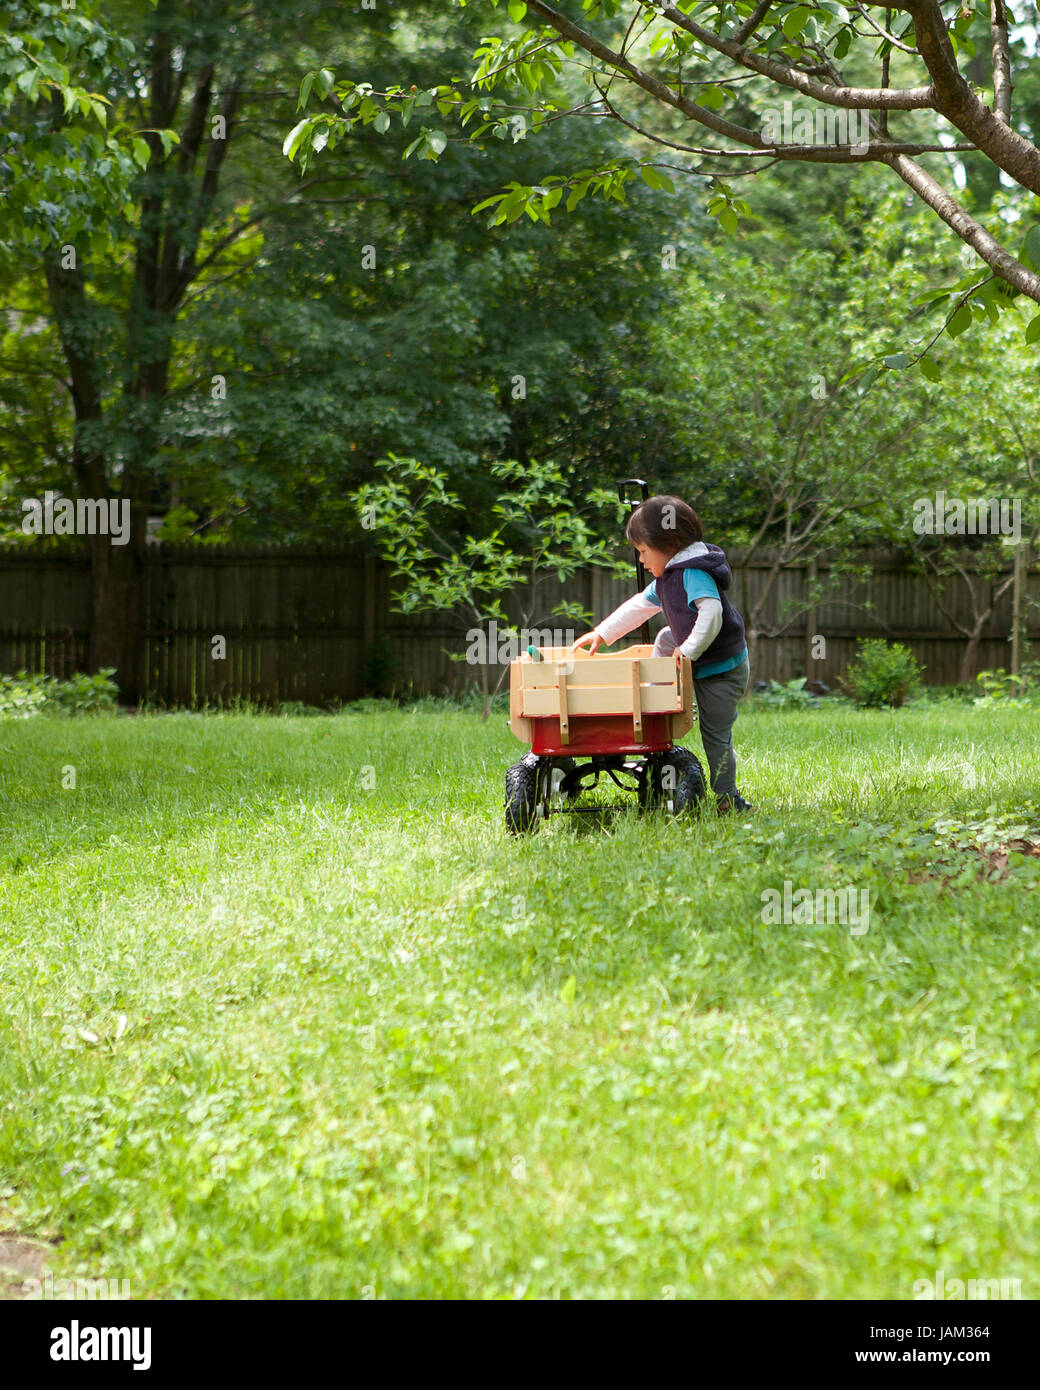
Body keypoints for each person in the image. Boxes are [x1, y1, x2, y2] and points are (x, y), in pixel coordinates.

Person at [571, 494, 752, 813]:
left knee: (715, 734)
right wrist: (603, 632)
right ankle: (657, 694)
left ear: (670, 544)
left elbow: (712, 614)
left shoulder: (693, 573)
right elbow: (639, 606)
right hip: (698, 660)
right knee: (667, 635)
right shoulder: (668, 577)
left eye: (642, 551)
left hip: (723, 669)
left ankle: (727, 797)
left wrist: (688, 651)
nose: (640, 560)